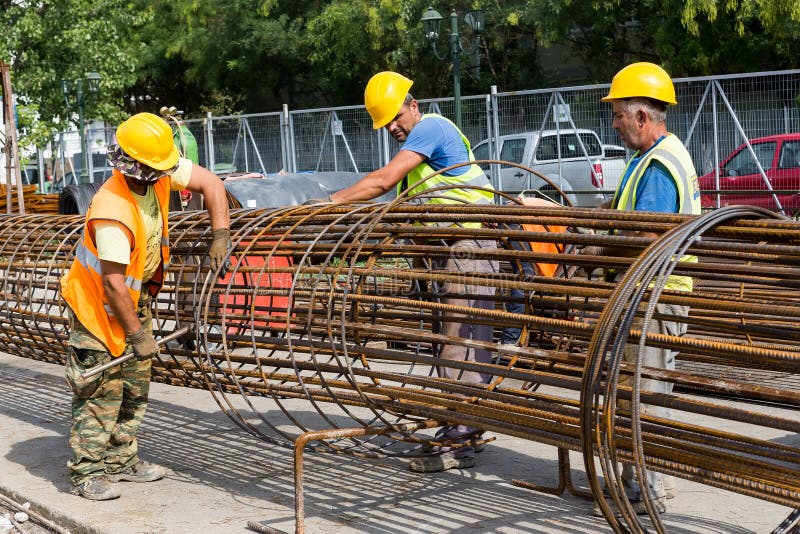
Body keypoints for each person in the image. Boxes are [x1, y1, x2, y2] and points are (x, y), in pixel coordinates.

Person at [328, 71, 498, 473]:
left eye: (394, 118)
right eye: (384, 123)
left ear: (413, 105)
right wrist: (421, 269)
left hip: (470, 246)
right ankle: (459, 429)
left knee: (460, 340)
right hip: (450, 249)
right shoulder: (422, 148)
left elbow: (383, 182)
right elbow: (418, 213)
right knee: (453, 339)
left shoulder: (432, 128)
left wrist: (328, 201)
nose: (392, 128)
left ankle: (460, 440)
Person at [61, 112, 231, 500]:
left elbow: (211, 183)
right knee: (100, 390)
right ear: (137, 167)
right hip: (98, 311)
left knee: (135, 387)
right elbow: (111, 284)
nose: (166, 174)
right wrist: (137, 334)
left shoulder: (158, 168)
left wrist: (220, 234)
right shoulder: (112, 211)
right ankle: (86, 473)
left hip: (133, 302)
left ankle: (121, 462)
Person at [584, 62, 701, 516]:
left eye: (617, 115)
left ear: (641, 117)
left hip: (654, 293)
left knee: (640, 391)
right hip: (662, 292)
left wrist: (599, 246)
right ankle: (656, 478)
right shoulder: (660, 154)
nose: (613, 124)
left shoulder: (656, 166)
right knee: (652, 390)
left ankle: (643, 493)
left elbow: (647, 235)